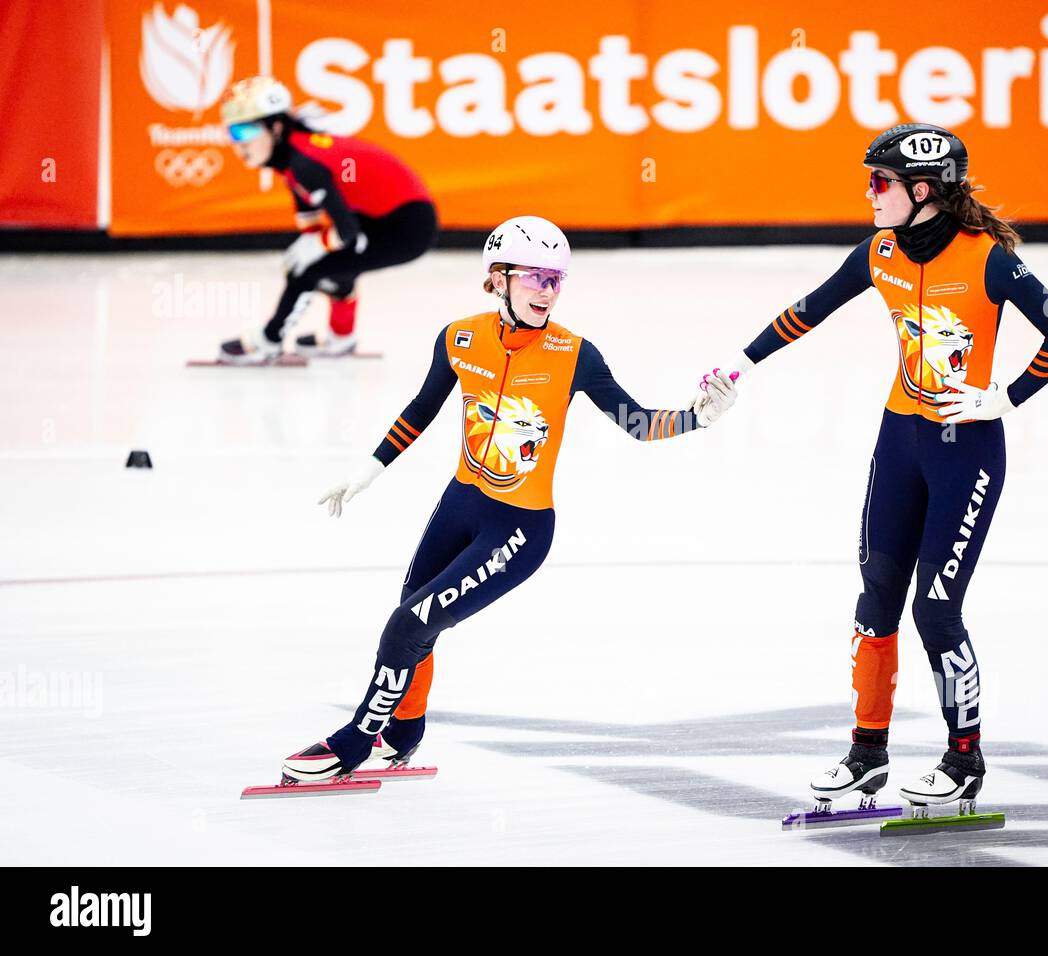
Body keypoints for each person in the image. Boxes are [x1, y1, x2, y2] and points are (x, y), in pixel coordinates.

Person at [696, 123, 1048, 812]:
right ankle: (868, 752)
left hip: (965, 451)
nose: (868, 194)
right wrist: (739, 365)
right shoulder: (879, 251)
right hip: (899, 438)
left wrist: (1005, 397)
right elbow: (806, 311)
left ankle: (964, 759)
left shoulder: (991, 259)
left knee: (936, 609)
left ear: (924, 190)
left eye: (880, 182)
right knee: (876, 599)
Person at [281, 216, 739, 782]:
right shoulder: (459, 337)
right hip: (460, 504)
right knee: (414, 622)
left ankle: (353, 742)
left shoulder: (576, 355)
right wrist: (371, 468)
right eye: (536, 277)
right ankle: (402, 733)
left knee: (407, 627)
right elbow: (422, 409)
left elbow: (637, 423)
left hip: (518, 528)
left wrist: (696, 418)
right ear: (497, 278)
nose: (549, 290)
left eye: (557, 279)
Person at [217, 76, 437, 363]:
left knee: (309, 270)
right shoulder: (293, 156)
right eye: (233, 133)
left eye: (245, 131)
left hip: (406, 226)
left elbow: (345, 232)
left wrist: (316, 247)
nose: (238, 144)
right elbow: (317, 221)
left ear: (276, 127)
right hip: (387, 216)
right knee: (332, 266)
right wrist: (314, 240)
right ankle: (340, 338)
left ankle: (269, 341)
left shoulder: (303, 162)